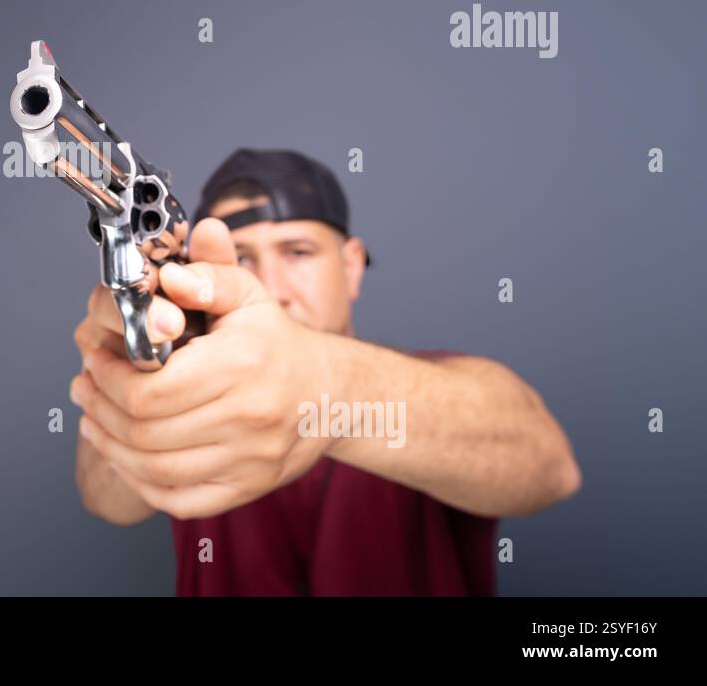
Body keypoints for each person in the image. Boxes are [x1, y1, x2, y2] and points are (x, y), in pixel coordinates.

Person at [69, 148, 581, 595]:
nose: (274, 285)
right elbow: (106, 501)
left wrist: (329, 390)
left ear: (352, 264)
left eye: (298, 252)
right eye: (242, 257)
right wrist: (135, 377)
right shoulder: (190, 396)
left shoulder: (434, 389)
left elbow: (549, 468)